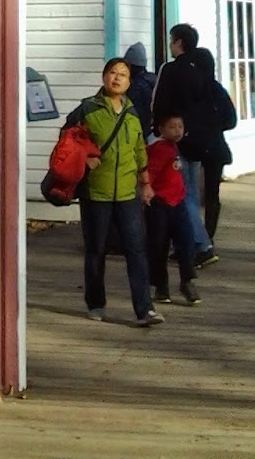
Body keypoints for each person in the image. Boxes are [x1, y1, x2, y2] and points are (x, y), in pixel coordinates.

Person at [73, 57, 164, 325]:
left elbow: (139, 149)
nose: (117, 78)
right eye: (112, 73)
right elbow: (68, 140)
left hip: (127, 193)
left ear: (128, 82)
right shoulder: (87, 109)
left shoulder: (133, 113)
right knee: (96, 249)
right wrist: (84, 157)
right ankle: (95, 303)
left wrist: (146, 182)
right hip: (96, 192)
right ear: (104, 77)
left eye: (122, 75)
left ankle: (144, 309)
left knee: (136, 249)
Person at [151, 22, 214, 264]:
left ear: (178, 42)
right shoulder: (203, 69)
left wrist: (158, 128)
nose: (169, 44)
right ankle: (186, 241)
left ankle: (201, 244)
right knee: (192, 193)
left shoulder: (171, 69)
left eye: (171, 39)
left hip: (175, 138)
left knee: (180, 192)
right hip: (199, 137)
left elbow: (159, 103)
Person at [181, 46, 236, 253]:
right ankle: (208, 235)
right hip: (215, 148)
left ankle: (196, 238)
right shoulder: (217, 90)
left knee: (190, 195)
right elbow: (231, 120)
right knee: (212, 195)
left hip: (193, 147)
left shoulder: (191, 91)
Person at [143, 113, 200, 306]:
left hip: (178, 202)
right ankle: (161, 286)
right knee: (159, 245)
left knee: (186, 242)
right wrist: (147, 188)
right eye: (172, 127)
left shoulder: (175, 147)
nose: (177, 131)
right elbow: (149, 172)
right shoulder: (159, 149)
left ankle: (187, 280)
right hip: (160, 203)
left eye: (180, 127)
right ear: (161, 129)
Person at [123, 42, 156, 140]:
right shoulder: (154, 79)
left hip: (139, 133)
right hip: (154, 132)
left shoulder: (135, 85)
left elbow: (136, 112)